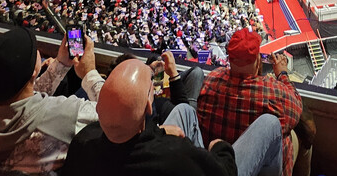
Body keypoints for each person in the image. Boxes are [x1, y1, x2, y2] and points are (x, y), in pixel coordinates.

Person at [63, 57, 283, 176]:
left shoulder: (81, 144)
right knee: (270, 124)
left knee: (185, 111)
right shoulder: (175, 155)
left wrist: (158, 132)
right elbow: (224, 171)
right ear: (149, 107)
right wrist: (221, 149)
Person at [0, 27, 102, 173]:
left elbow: (22, 99)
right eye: (35, 50)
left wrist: (60, 65)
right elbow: (116, 115)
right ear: (34, 71)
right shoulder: (67, 114)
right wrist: (90, 73)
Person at [197, 28, 303, 176]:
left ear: (229, 59)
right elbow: (296, 107)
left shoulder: (211, 79)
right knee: (293, 136)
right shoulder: (273, 91)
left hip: (215, 162)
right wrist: (282, 73)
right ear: (258, 60)